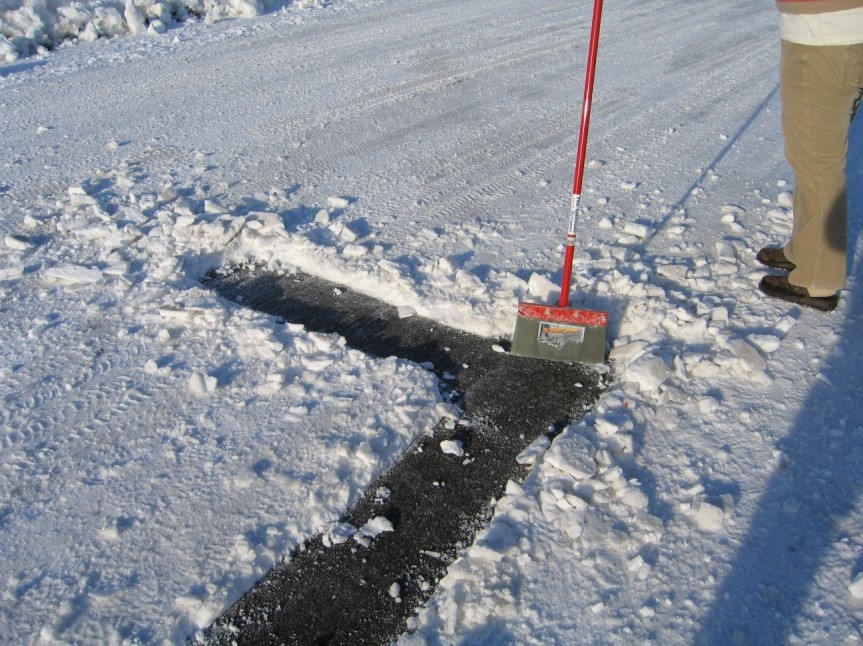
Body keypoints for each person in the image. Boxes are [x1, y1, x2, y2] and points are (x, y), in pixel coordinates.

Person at [757, 0, 863, 312]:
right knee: (811, 156)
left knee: (817, 162)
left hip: (825, 38)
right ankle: (805, 249)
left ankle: (818, 278)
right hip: (843, 33)